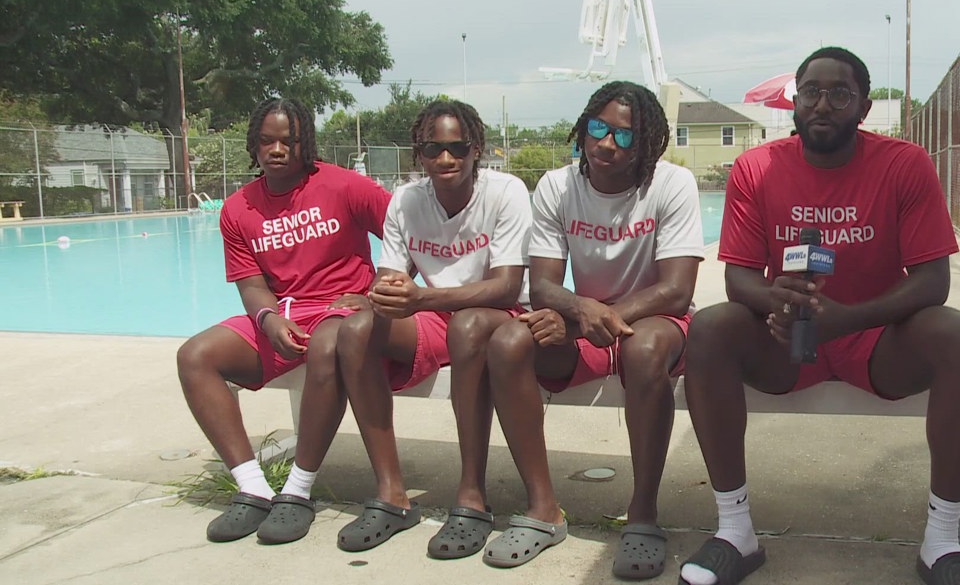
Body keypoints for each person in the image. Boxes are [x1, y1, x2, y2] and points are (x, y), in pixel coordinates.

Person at [678, 47, 960, 585]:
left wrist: (844, 319)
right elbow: (739, 278)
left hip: (877, 340)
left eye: (840, 93)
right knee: (709, 328)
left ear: (863, 107)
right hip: (788, 339)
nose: (823, 104)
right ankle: (736, 532)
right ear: (795, 103)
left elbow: (932, 281)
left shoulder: (904, 163)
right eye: (811, 92)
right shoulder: (757, 166)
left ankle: (942, 542)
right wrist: (782, 302)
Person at [481, 81, 705, 578]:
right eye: (598, 128)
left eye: (624, 136)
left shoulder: (670, 185)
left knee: (645, 348)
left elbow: (676, 289)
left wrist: (592, 317)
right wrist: (582, 311)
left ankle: (643, 514)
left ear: (647, 145)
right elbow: (540, 285)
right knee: (509, 340)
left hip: (655, 320)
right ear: (583, 129)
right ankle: (543, 509)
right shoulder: (557, 186)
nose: (606, 143)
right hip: (585, 318)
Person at [176, 97, 392, 544]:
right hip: (284, 316)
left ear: (305, 144)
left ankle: (297, 491)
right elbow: (252, 286)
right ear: (254, 145)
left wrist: (380, 294)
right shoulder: (238, 209)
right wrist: (269, 319)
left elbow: (411, 233)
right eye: (267, 140)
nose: (277, 150)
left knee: (327, 344)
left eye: (289, 141)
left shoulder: (345, 185)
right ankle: (253, 489)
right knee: (195, 356)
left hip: (340, 312)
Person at [332, 100, 533, 555]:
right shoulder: (406, 199)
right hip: (440, 315)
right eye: (433, 148)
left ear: (476, 148)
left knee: (467, 327)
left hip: (501, 318)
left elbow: (506, 287)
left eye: (458, 147)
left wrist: (419, 297)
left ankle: (471, 494)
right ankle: (392, 495)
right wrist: (377, 297)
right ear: (418, 153)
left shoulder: (506, 192)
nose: (446, 159)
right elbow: (391, 276)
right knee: (355, 331)